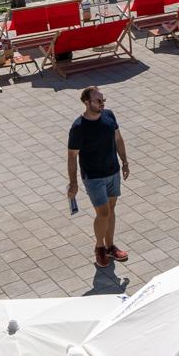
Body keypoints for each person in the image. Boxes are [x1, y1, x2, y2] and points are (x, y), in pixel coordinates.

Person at [67, 87, 130, 268]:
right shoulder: (78, 127)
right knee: (103, 214)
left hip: (113, 172)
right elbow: (72, 156)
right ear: (87, 103)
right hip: (93, 176)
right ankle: (99, 247)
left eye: (103, 100)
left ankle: (110, 246)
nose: (102, 104)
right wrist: (73, 183)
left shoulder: (109, 116)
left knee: (111, 209)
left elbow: (118, 139)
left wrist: (124, 162)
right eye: (98, 101)